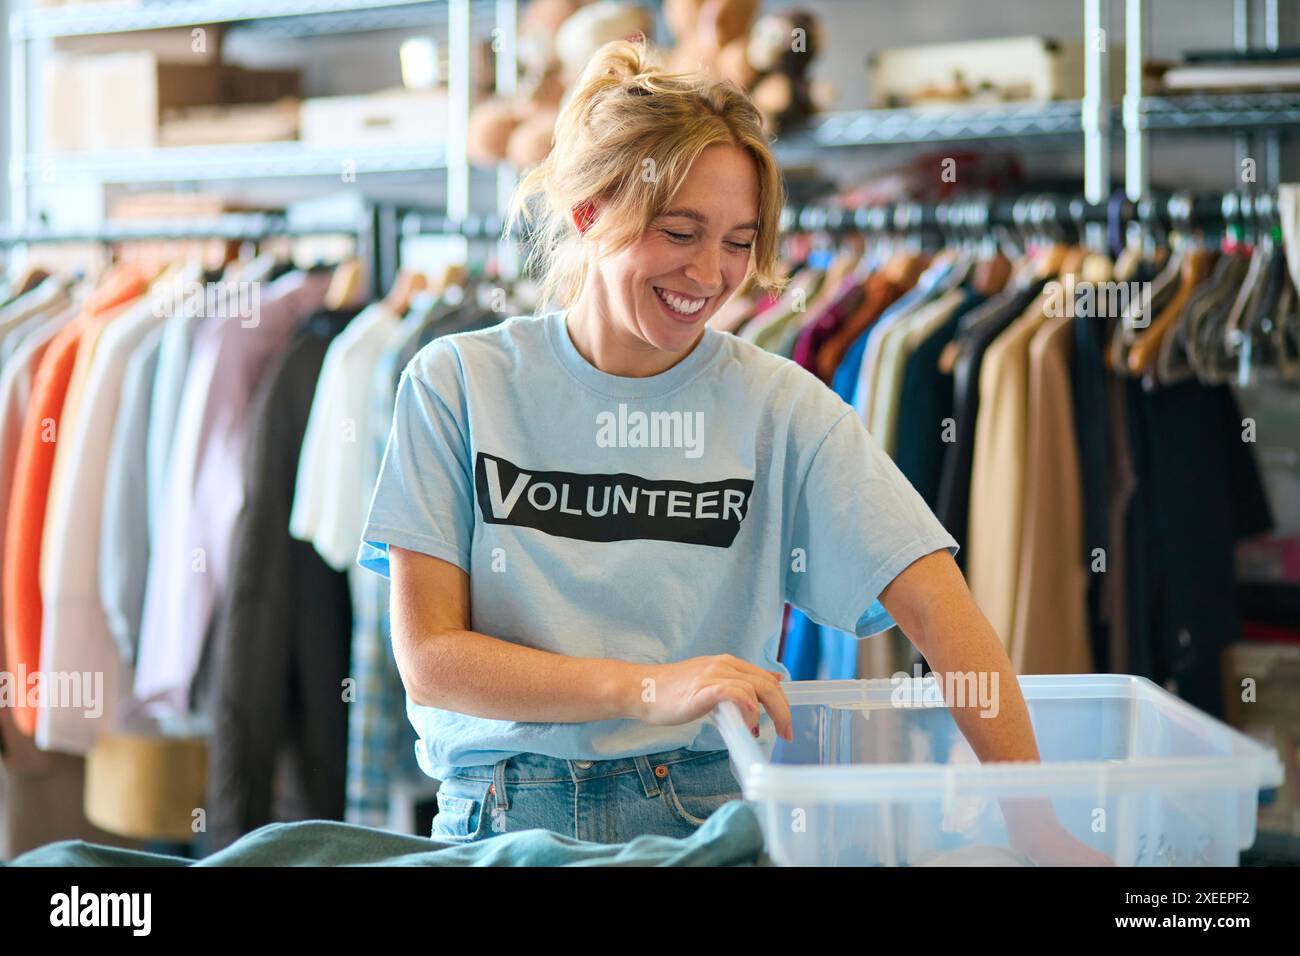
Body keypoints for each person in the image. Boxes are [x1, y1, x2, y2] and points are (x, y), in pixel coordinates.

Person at [357, 38, 1109, 864]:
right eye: (682, 231)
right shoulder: (457, 383)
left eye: (740, 242)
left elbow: (943, 610)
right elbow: (430, 659)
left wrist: (1035, 822)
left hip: (706, 813)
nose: (712, 274)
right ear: (589, 212)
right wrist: (652, 685)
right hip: (504, 816)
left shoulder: (780, 406)